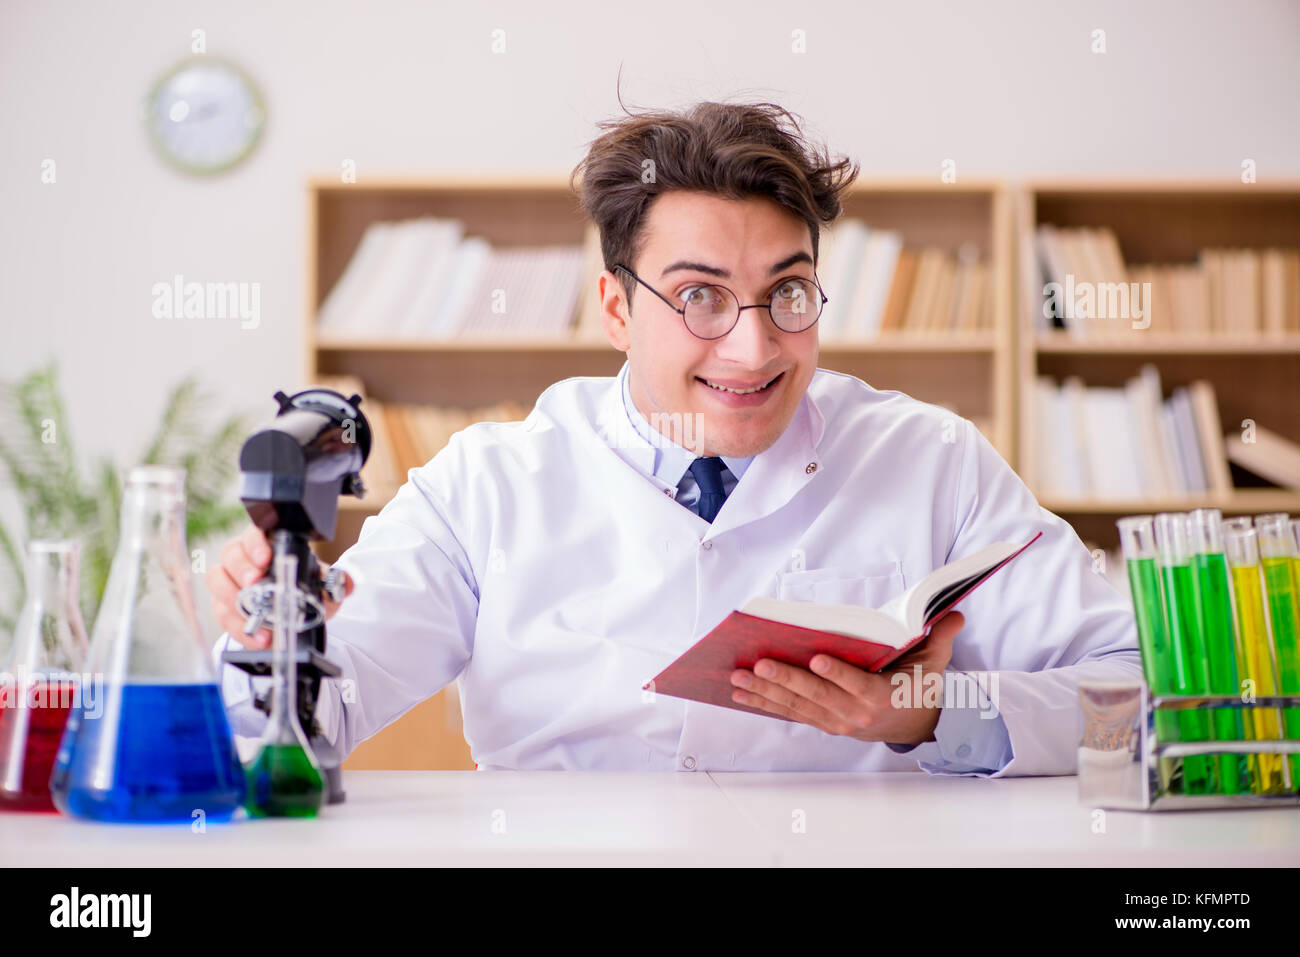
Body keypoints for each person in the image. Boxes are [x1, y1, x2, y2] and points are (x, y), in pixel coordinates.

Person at [208, 100, 1142, 775]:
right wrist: (272, 631)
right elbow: (310, 721)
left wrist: (932, 711)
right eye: (699, 295)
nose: (755, 342)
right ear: (615, 306)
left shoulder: (932, 460)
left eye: (788, 292)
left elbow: (1132, 693)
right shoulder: (488, 482)